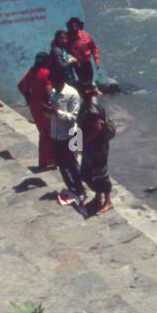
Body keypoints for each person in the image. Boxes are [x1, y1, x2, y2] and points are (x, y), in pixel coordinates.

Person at [46, 63, 84, 202]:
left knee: (73, 164)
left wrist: (57, 112)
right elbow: (52, 113)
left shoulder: (72, 94)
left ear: (62, 80)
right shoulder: (54, 93)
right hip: (55, 134)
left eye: (55, 81)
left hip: (70, 135)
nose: (53, 84)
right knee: (61, 164)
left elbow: (75, 117)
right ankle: (71, 187)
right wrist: (48, 112)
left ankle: (80, 189)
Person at [78, 84, 114, 214]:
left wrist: (82, 141)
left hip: (97, 146)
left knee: (100, 174)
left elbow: (96, 129)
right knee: (89, 173)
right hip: (92, 145)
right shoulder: (89, 105)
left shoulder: (92, 109)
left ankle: (108, 201)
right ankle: (98, 197)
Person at [17, 52, 56, 170]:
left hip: (34, 105)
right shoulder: (46, 74)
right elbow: (49, 91)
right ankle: (50, 160)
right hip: (44, 106)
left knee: (43, 133)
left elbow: (20, 86)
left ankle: (43, 161)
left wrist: (28, 98)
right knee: (50, 133)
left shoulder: (31, 71)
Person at [65, 17, 100, 88]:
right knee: (82, 83)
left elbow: (93, 48)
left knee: (89, 81)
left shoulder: (85, 35)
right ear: (69, 27)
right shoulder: (65, 37)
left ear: (79, 26)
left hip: (87, 62)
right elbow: (60, 50)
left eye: (76, 26)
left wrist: (96, 61)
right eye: (72, 26)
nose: (74, 28)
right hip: (75, 64)